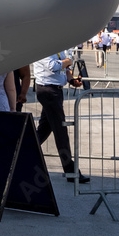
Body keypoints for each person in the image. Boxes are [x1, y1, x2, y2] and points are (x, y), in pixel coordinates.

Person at [33, 51, 89, 183]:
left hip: (56, 91)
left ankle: (20, 151)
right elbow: (53, 66)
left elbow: (65, 68)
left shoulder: (58, 50)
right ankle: (70, 170)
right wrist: (68, 61)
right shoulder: (44, 49)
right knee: (61, 131)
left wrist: (72, 80)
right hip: (48, 91)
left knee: (44, 129)